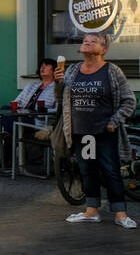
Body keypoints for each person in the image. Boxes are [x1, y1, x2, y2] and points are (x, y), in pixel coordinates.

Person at [58, 33, 137, 228]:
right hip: (82, 132)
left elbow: (129, 100)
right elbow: (61, 99)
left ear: (103, 49)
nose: (87, 42)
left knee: (111, 171)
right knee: (87, 170)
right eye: (85, 40)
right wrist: (57, 83)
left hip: (104, 131)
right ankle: (91, 211)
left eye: (93, 41)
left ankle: (120, 214)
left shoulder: (112, 71)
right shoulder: (73, 70)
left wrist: (114, 121)